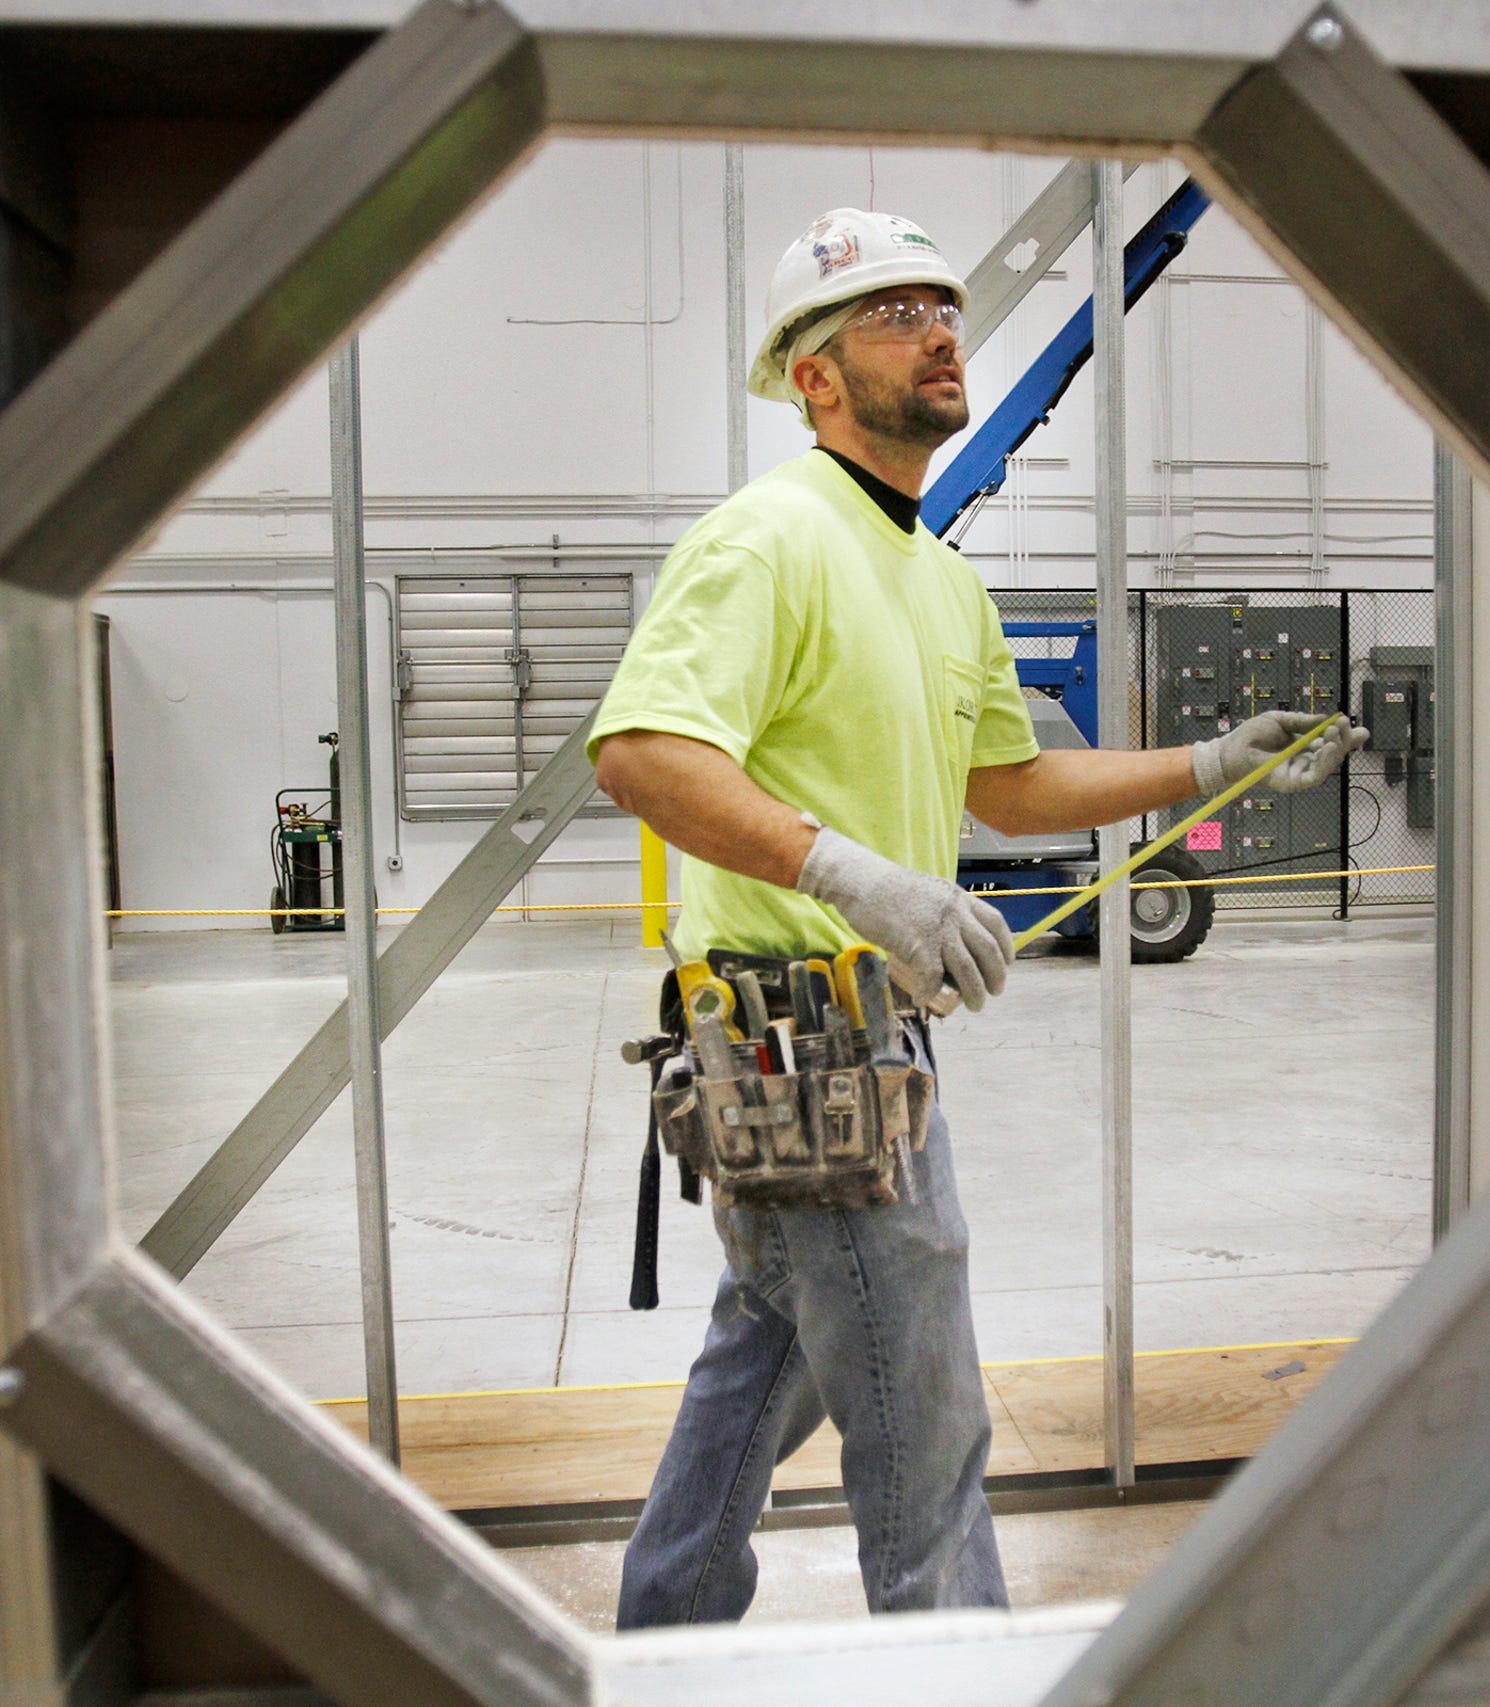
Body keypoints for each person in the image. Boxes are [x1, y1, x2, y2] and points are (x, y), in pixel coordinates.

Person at [590, 206, 1362, 1626]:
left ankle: (657, 1649)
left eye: (944, 308)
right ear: (814, 376)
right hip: (796, 1045)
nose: (939, 333)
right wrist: (854, 875)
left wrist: (1209, 762)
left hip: (868, 1047)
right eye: (894, 315)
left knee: (765, 1369)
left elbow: (1009, 786)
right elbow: (644, 753)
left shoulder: (941, 576)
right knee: (926, 1431)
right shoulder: (767, 540)